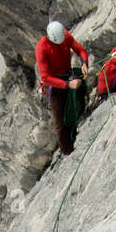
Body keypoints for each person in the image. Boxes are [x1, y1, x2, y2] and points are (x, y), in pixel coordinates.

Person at [35, 20, 89, 156]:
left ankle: (78, 131)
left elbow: (80, 50)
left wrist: (84, 63)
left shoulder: (65, 36)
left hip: (67, 75)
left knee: (76, 104)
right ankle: (67, 151)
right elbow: (45, 77)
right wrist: (67, 84)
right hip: (54, 85)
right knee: (60, 121)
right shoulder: (42, 48)